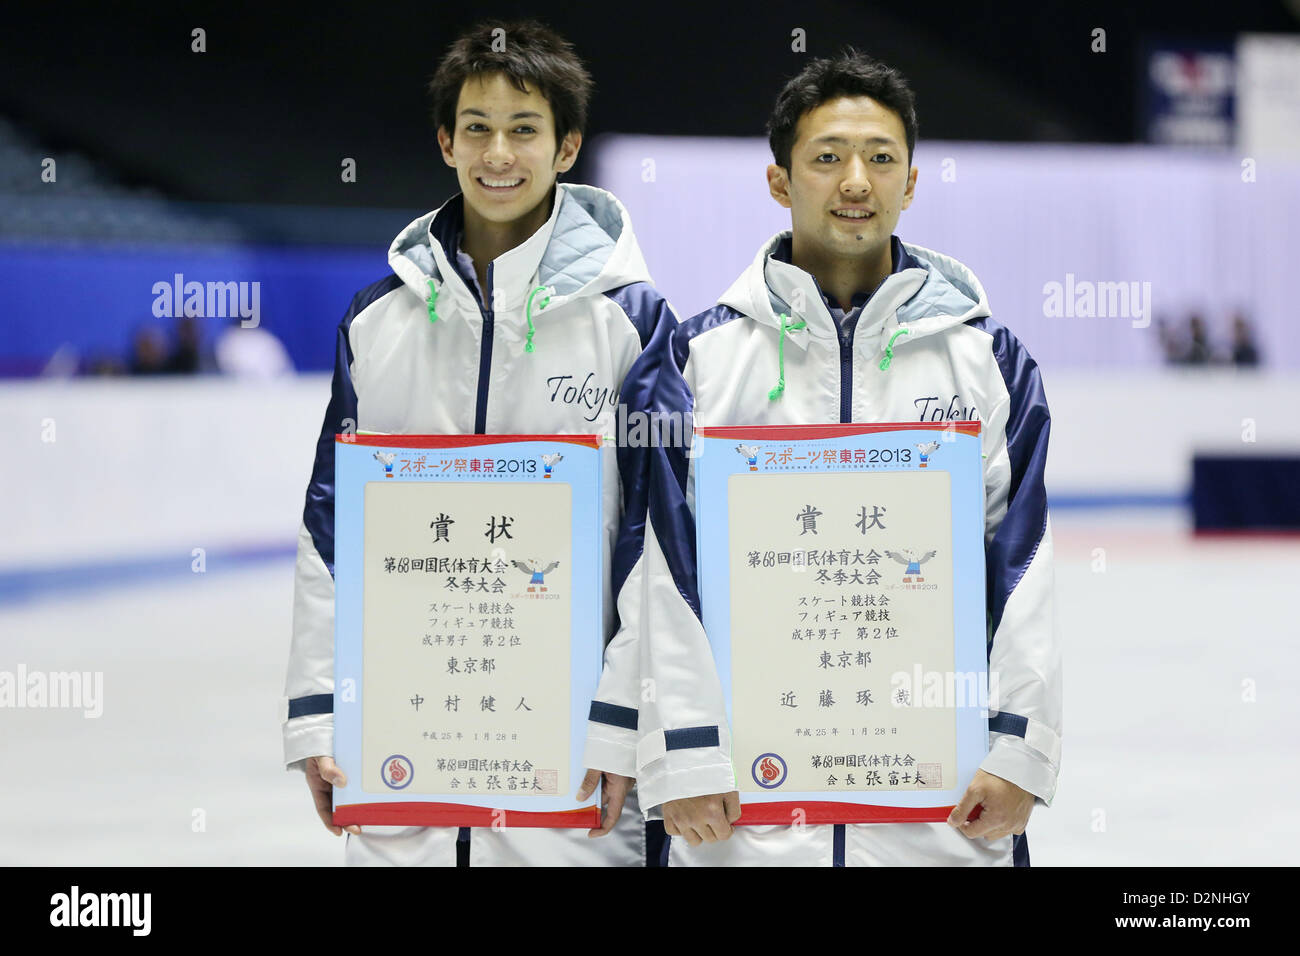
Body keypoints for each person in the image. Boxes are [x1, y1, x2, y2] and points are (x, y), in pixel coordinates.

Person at [616, 50, 1060, 865]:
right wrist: (681, 748)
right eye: (827, 158)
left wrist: (1019, 747)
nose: (856, 180)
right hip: (745, 816)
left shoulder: (989, 360)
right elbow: (657, 567)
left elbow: (1023, 562)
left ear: (912, 183)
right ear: (781, 183)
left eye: (881, 159)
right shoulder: (695, 361)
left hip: (937, 812)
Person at [281, 19, 678, 867]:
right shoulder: (374, 319)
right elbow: (330, 525)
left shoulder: (635, 323)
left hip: (572, 773)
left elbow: (660, 541)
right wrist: (319, 710)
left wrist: (622, 719)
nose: (499, 152)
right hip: (404, 765)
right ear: (445, 142)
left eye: (525, 129)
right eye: (477, 128)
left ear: (567, 148)